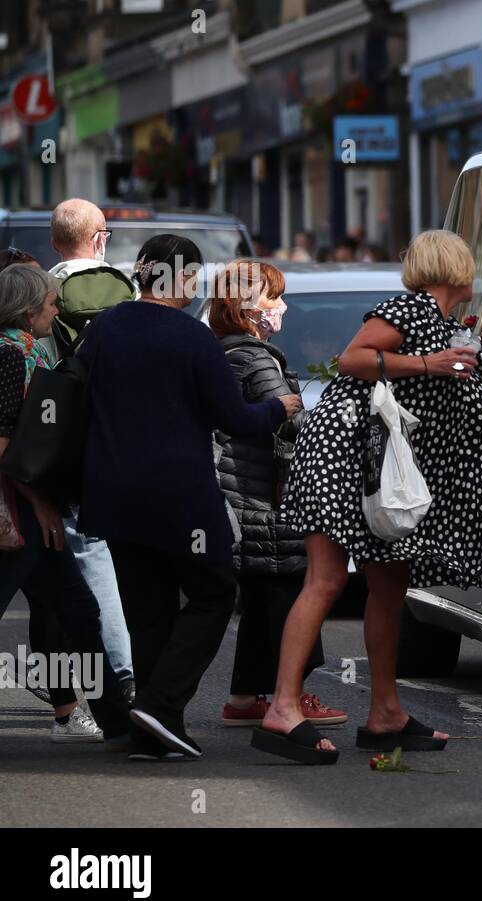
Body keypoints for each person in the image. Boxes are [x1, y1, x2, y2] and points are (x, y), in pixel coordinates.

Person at [253, 229, 482, 764]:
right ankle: (283, 707)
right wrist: (426, 365)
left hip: (374, 468)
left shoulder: (442, 325)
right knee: (326, 580)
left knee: (390, 585)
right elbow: (353, 359)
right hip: (343, 456)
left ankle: (385, 712)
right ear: (454, 269)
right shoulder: (407, 309)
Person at [77, 235, 301, 760]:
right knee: (213, 592)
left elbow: (77, 399)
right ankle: (160, 704)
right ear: (183, 279)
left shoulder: (104, 327)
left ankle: (155, 727)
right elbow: (235, 418)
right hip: (180, 495)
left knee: (146, 608)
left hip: (113, 492)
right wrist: (281, 408)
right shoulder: (192, 337)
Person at [208, 259, 346, 728]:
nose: (281, 307)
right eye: (272, 298)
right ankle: (295, 694)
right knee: (290, 589)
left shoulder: (225, 349)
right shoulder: (252, 355)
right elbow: (293, 422)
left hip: (245, 494)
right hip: (264, 497)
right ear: (246, 307)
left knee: (264, 596)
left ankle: (245, 698)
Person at [0, 263, 132, 744]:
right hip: (17, 517)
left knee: (79, 612)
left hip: (32, 516)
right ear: (29, 307)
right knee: (77, 612)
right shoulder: (11, 356)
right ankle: (118, 721)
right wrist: (41, 504)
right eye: (51, 303)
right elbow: (3, 444)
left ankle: (118, 723)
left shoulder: (28, 351)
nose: (57, 310)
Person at [46, 199, 137, 706]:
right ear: (101, 237)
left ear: (55, 240)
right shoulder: (129, 291)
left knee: (87, 552)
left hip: (73, 442)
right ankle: (144, 671)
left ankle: (118, 675)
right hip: (130, 440)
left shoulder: (46, 292)